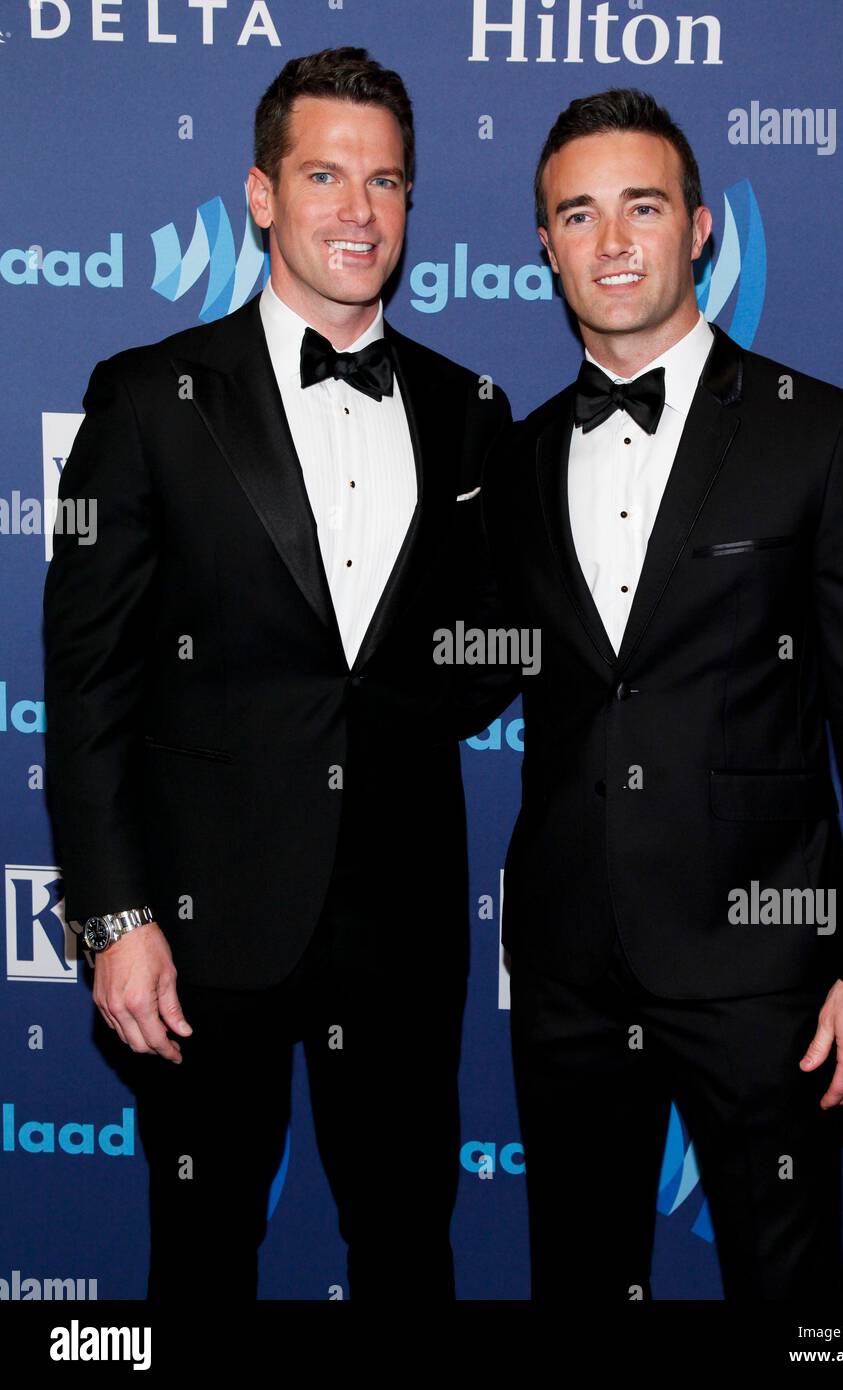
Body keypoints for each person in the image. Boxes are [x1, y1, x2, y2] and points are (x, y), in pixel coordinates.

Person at [43, 46, 510, 1300]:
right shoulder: (148, 398)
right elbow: (86, 683)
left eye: (386, 182)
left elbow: (494, 640)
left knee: (408, 1246)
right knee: (200, 1258)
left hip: (404, 922)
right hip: (199, 931)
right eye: (324, 175)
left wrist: (400, 708)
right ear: (260, 195)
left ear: (412, 204)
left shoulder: (470, 408)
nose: (357, 211)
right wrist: (114, 916)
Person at [481, 88, 843, 1300]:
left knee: (788, 1293)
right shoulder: (517, 459)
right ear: (543, 246)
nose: (612, 240)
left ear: (696, 226)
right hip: (569, 966)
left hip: (763, 965)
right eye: (576, 214)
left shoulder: (818, 435)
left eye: (641, 205)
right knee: (576, 1278)